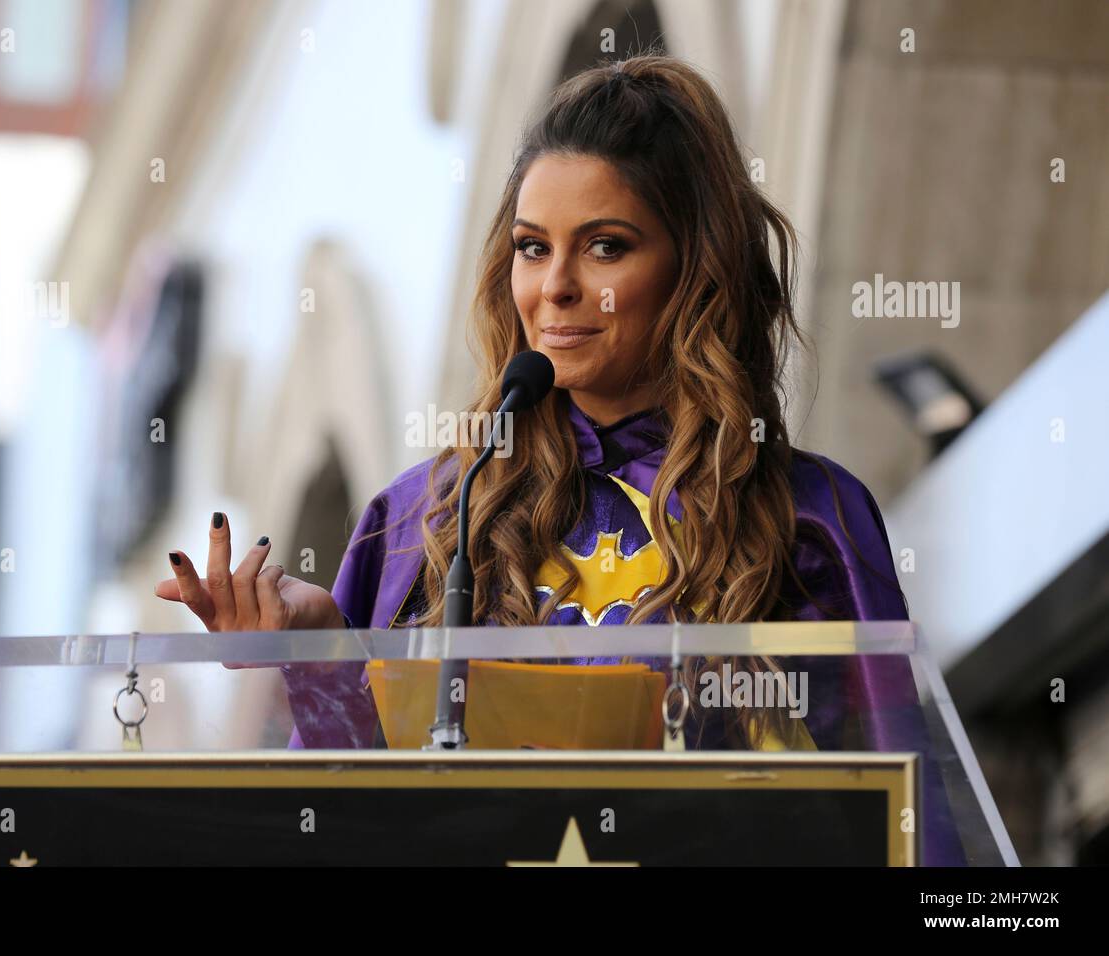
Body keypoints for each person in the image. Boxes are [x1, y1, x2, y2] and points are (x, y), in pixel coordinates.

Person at [155, 54, 964, 863]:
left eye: (606, 246)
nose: (556, 288)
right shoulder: (424, 517)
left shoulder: (807, 515)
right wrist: (322, 647)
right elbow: (349, 823)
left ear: (696, 267)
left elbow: (902, 825)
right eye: (533, 248)